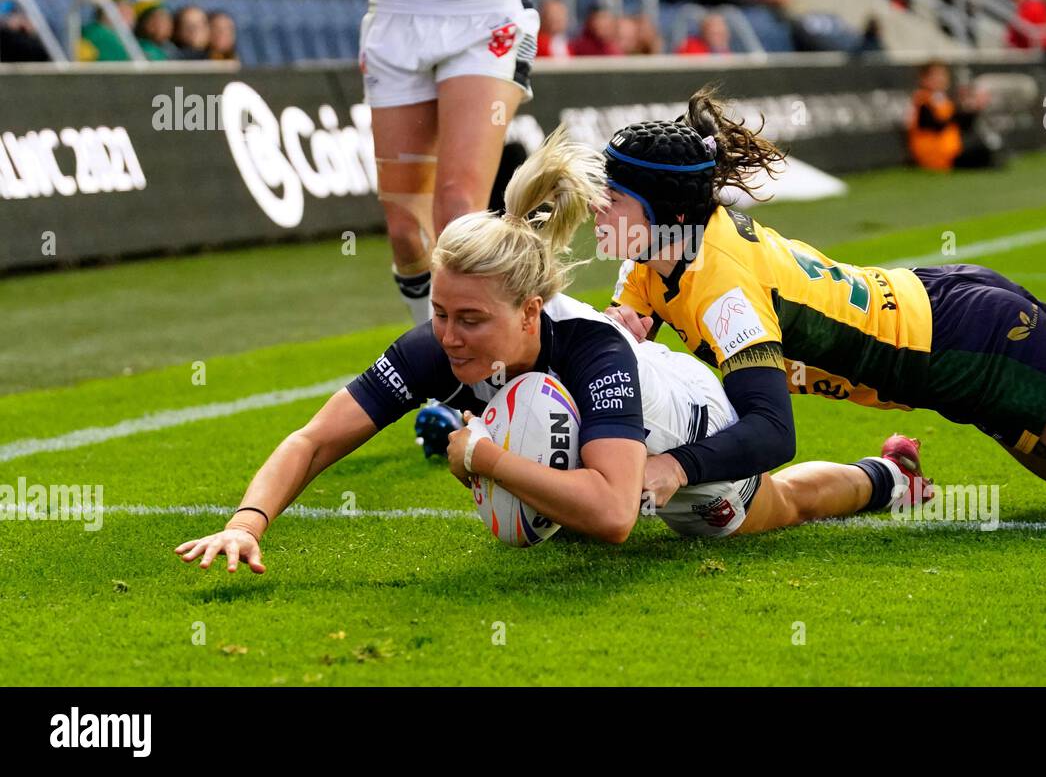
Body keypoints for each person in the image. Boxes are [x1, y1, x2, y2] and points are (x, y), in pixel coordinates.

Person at [174, 131, 932, 572]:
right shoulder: (443, 343)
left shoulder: (592, 350)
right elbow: (312, 441)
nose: (449, 334)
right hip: (606, 442)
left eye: (470, 318)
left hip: (687, 423)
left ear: (530, 310)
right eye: (439, 312)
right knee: (537, 456)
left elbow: (612, 516)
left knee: (780, 505)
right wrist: (247, 521)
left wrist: (484, 456)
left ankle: (885, 474)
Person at [599, 87, 1046, 510]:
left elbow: (772, 433)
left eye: (613, 194)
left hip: (974, 343)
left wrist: (671, 467)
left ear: (664, 208)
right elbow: (613, 343)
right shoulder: (656, 257)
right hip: (940, 326)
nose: (599, 209)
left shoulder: (721, 282)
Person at [333, 0, 548, 325]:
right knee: (407, 231)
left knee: (457, 212)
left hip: (485, 18)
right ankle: (439, 364)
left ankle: (483, 373)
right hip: (398, 18)